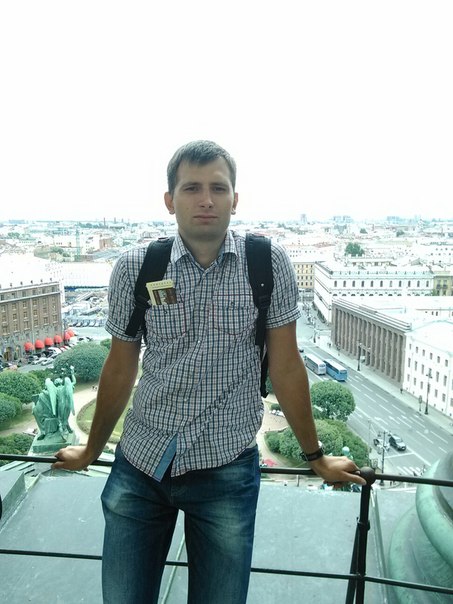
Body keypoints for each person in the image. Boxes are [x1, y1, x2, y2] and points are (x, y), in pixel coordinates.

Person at [53, 140, 365, 603]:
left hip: (226, 468)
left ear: (235, 199)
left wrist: (314, 456)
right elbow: (120, 365)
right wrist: (91, 449)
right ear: (169, 200)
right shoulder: (139, 267)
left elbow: (286, 365)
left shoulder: (266, 264)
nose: (206, 200)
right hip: (141, 463)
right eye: (192, 188)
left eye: (218, 188)